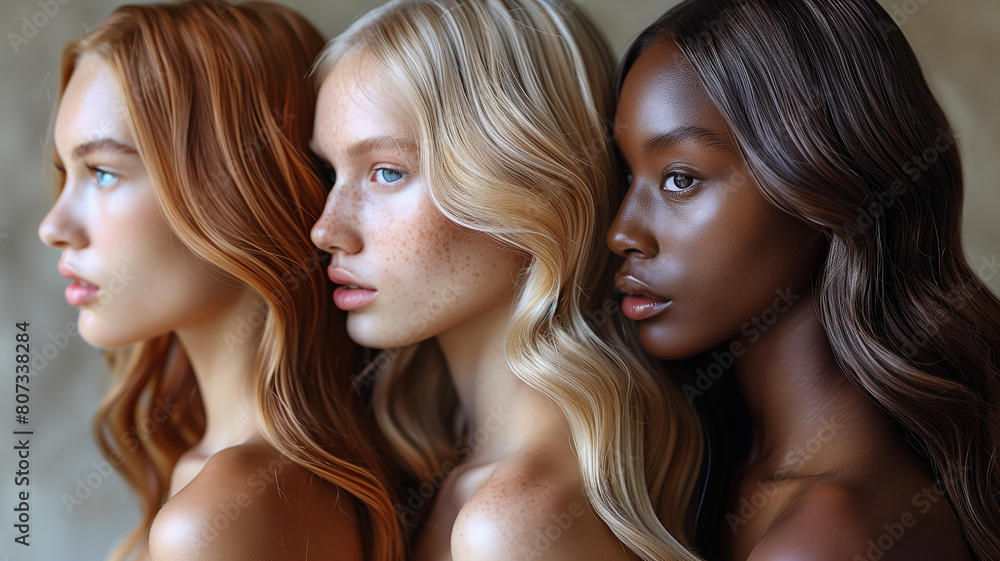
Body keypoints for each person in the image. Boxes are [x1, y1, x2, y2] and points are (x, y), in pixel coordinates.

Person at [308, 0, 703, 559]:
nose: (327, 230)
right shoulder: (450, 477)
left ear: (531, 179)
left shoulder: (512, 524)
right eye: (331, 172)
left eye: (387, 172)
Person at [609, 0, 1000, 559]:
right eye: (627, 174)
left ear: (823, 180)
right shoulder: (706, 476)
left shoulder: (827, 536)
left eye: (680, 178)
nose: (622, 232)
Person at [37, 2, 402, 559]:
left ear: (240, 189)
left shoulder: (222, 516)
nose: (53, 227)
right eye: (66, 175)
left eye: (103, 172)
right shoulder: (229, 479)